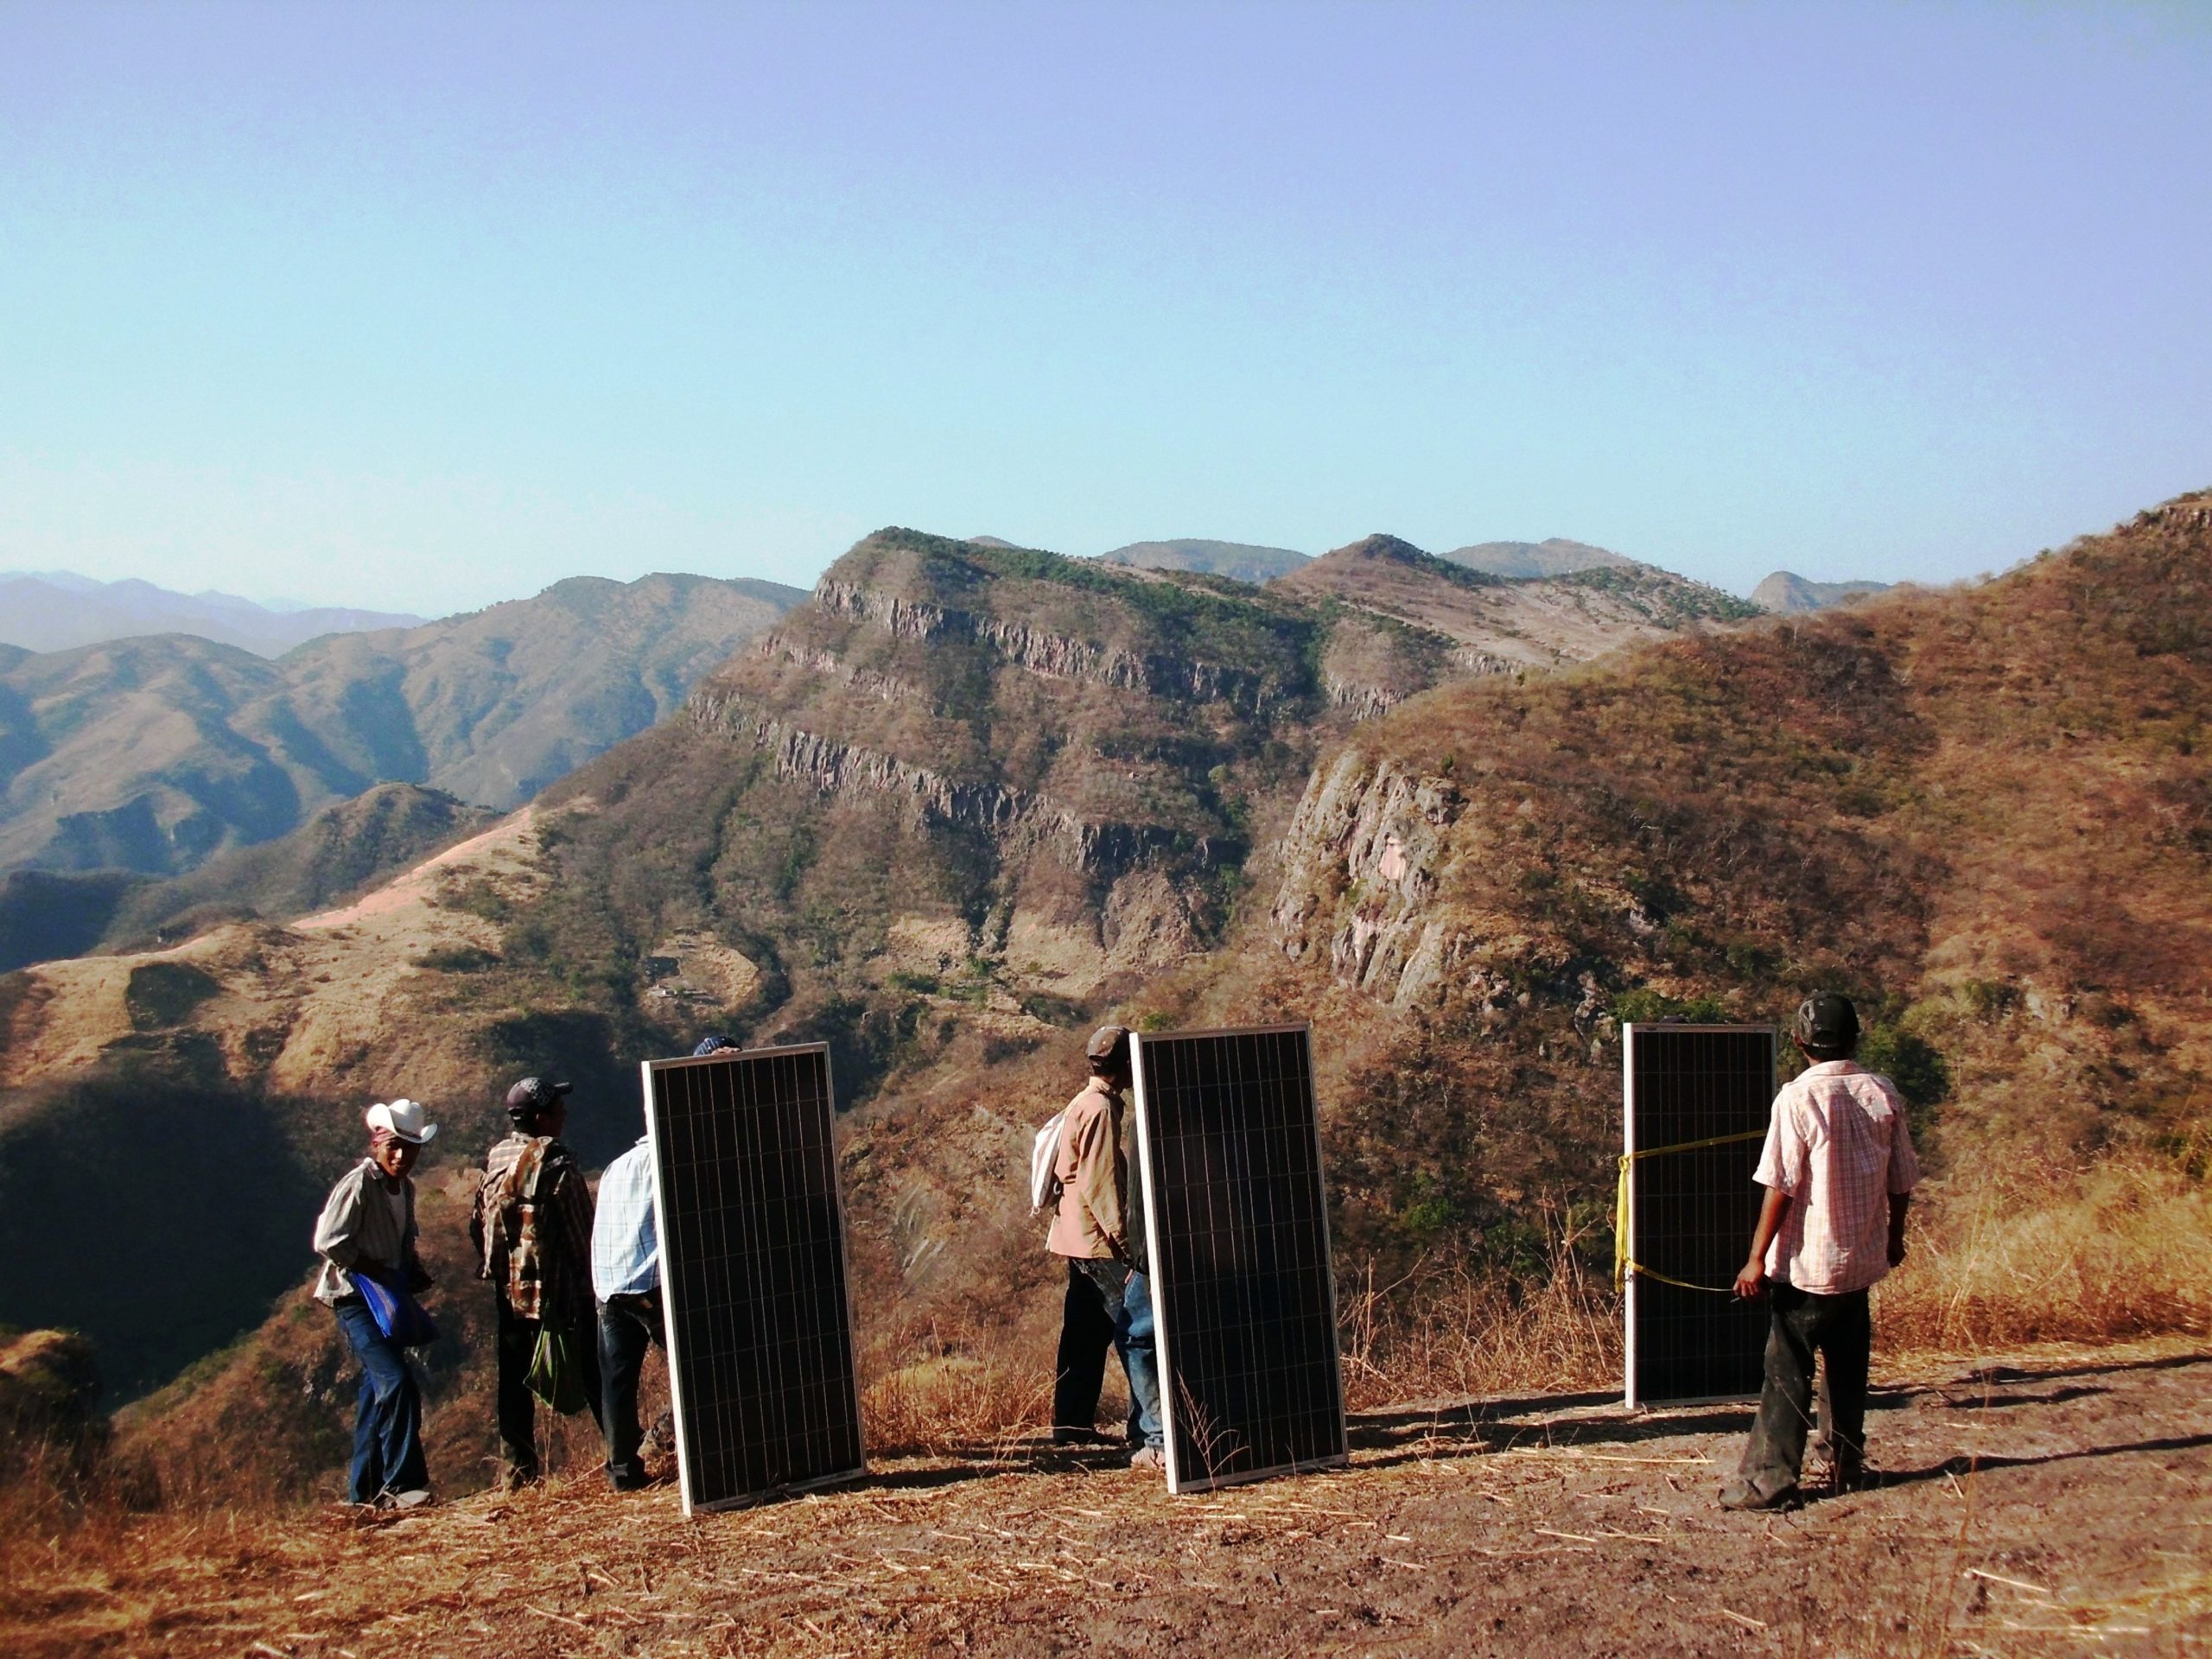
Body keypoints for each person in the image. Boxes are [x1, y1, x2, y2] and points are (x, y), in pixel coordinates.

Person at [1720, 992, 1921, 1510]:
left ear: (1798, 1041)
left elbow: (1781, 1185)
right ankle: (1845, 1462)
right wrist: (1894, 1238)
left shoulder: (1796, 1099)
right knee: (1849, 1364)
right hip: (1861, 1260)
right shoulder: (1882, 1092)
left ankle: (1768, 1482)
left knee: (1787, 1370)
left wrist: (1756, 1259)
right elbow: (1901, 1180)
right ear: (1856, 1037)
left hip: (1809, 1266)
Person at [591, 1034, 736, 1490]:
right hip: (653, 1287)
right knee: (706, 1367)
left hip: (610, 1288)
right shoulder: (678, 1160)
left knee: (617, 1384)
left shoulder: (619, 1165)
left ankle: (622, 1471)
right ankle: (679, 1443)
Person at [471, 1075, 603, 1489]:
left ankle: (519, 1472)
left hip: (510, 1292)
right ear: (543, 1117)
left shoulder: (495, 1161)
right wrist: (589, 1283)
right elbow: (583, 1235)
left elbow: (478, 1225)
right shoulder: (557, 1165)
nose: (565, 1115)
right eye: (558, 1109)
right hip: (560, 1292)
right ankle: (621, 1455)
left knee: (512, 1381)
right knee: (594, 1371)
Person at [1046, 1025, 1166, 1470]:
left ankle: (1072, 1425)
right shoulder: (1101, 1110)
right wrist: (1125, 1241)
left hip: (1074, 1236)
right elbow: (1100, 1183)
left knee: (1083, 1332)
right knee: (1136, 1329)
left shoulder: (1085, 1101)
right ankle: (1148, 1434)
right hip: (1096, 1241)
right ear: (1123, 1067)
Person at [312, 1099, 438, 1508]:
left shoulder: (406, 1189)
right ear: (376, 1144)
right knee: (397, 1383)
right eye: (393, 1147)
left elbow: (402, 1240)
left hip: (385, 1298)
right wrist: (376, 1271)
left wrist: (410, 1269)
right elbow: (329, 1241)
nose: (401, 1156)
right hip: (355, 1298)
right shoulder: (359, 1184)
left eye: (410, 1148)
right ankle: (403, 1485)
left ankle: (363, 1494)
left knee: (376, 1393)